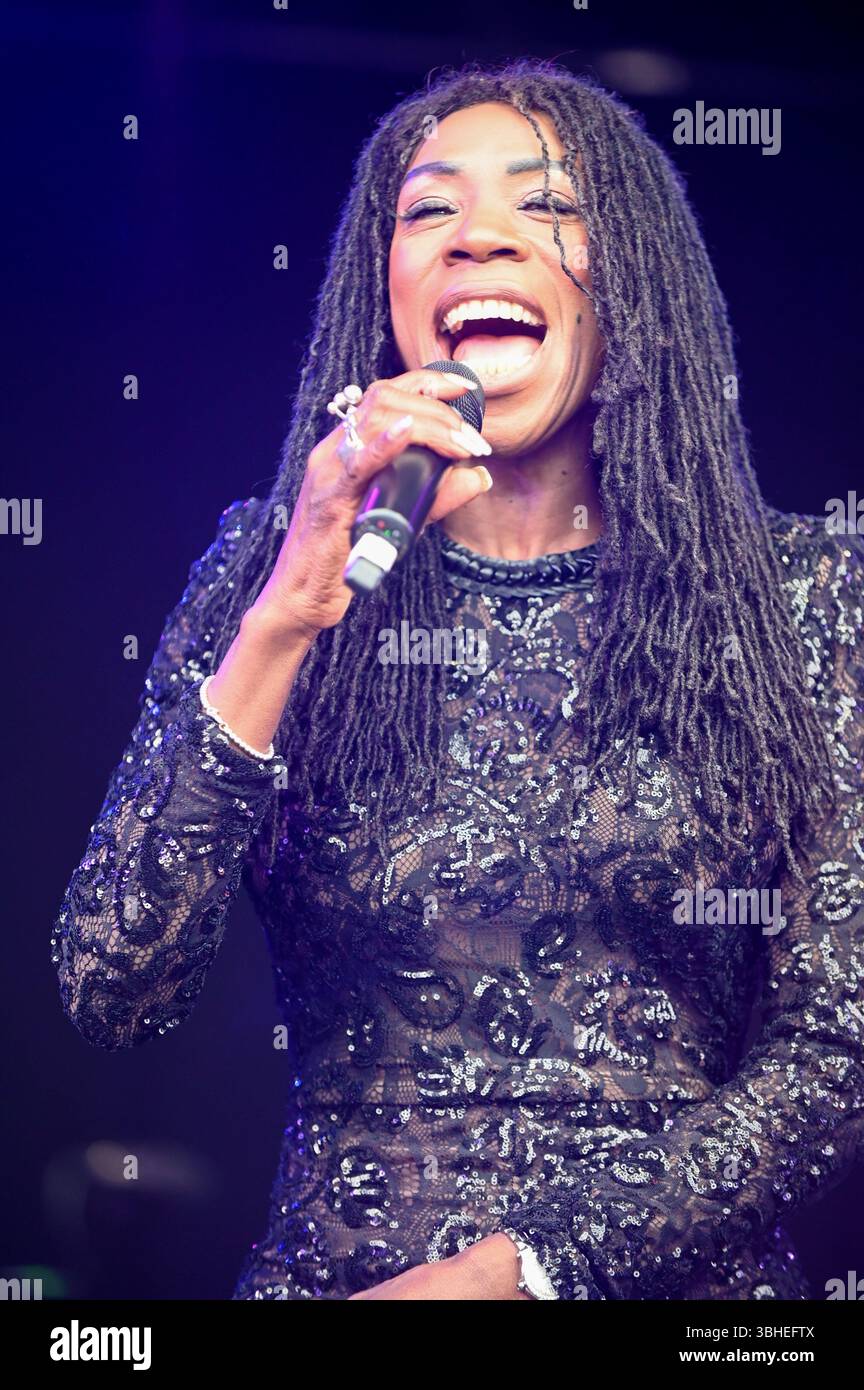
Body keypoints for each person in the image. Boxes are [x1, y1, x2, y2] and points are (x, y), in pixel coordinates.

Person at [51, 58, 864, 1301]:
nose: (478, 234)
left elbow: (840, 1049)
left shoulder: (804, 597)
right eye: (430, 208)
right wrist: (284, 616)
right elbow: (113, 986)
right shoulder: (268, 576)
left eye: (546, 203)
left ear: (632, 280)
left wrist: (514, 1276)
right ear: (385, 291)